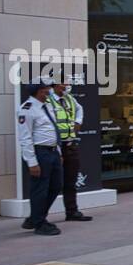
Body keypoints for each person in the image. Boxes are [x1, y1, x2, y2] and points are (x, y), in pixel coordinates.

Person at [16, 80, 62, 236]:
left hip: (53, 152)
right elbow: (25, 138)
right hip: (40, 153)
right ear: (38, 91)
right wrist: (32, 162)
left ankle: (35, 217)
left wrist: (59, 152)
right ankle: (40, 223)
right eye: (45, 90)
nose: (49, 92)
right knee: (40, 190)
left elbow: (52, 130)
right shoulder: (27, 109)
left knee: (56, 186)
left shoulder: (47, 106)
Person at [47, 77, 93, 222]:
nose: (66, 86)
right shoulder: (48, 101)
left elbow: (80, 109)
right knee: (52, 184)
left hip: (70, 145)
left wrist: (78, 121)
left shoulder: (69, 98)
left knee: (70, 181)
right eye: (62, 84)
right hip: (55, 147)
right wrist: (57, 149)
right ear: (53, 86)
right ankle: (39, 216)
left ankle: (72, 211)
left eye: (66, 83)